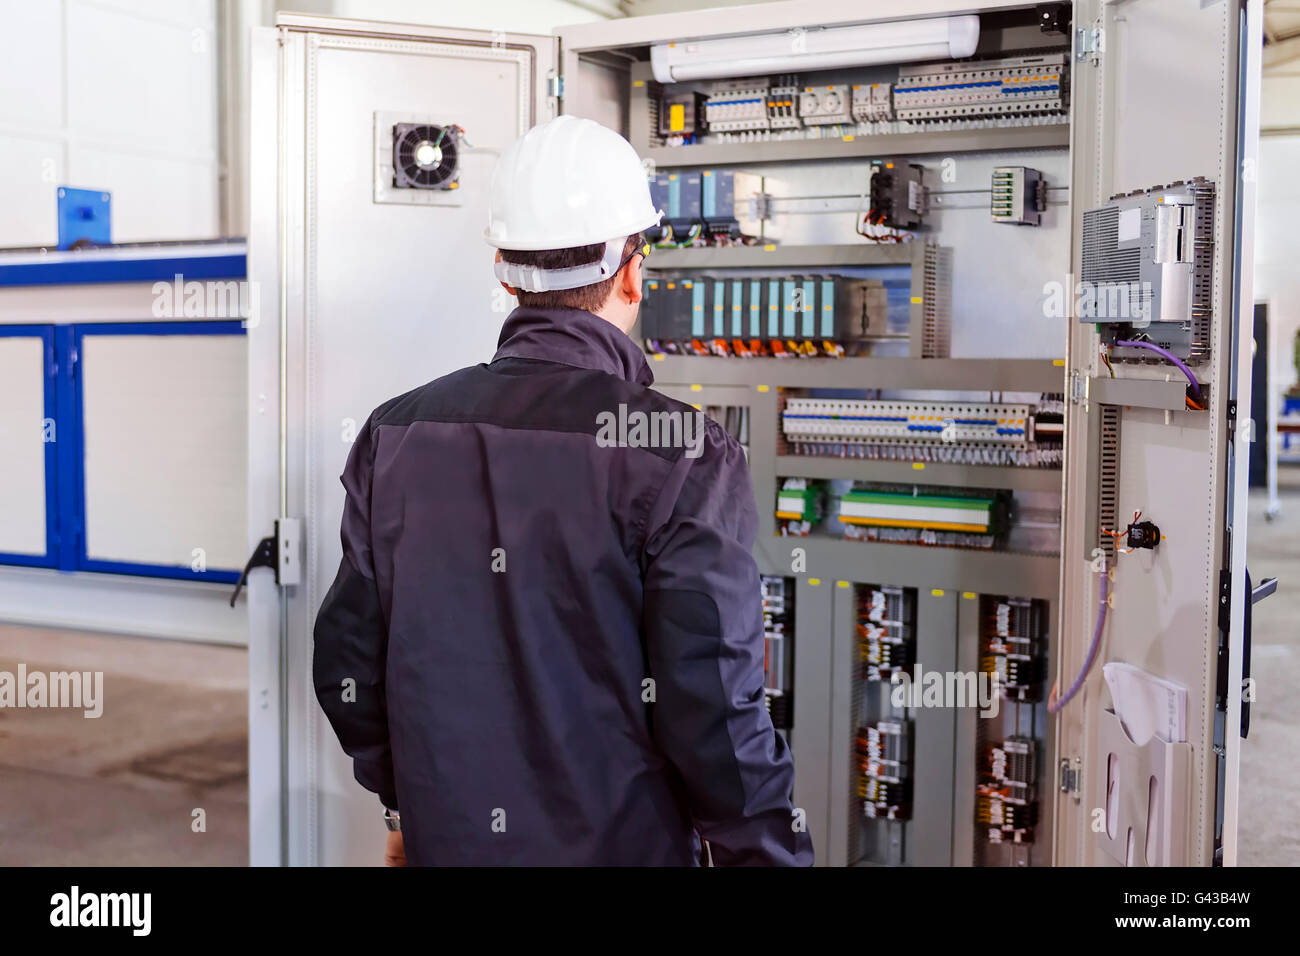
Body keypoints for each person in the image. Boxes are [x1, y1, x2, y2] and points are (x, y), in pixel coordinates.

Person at [313, 115, 812, 866]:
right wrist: (770, 854)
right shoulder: (682, 451)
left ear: (504, 272)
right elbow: (712, 702)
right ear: (634, 273)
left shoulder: (394, 433)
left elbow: (347, 658)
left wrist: (409, 795)